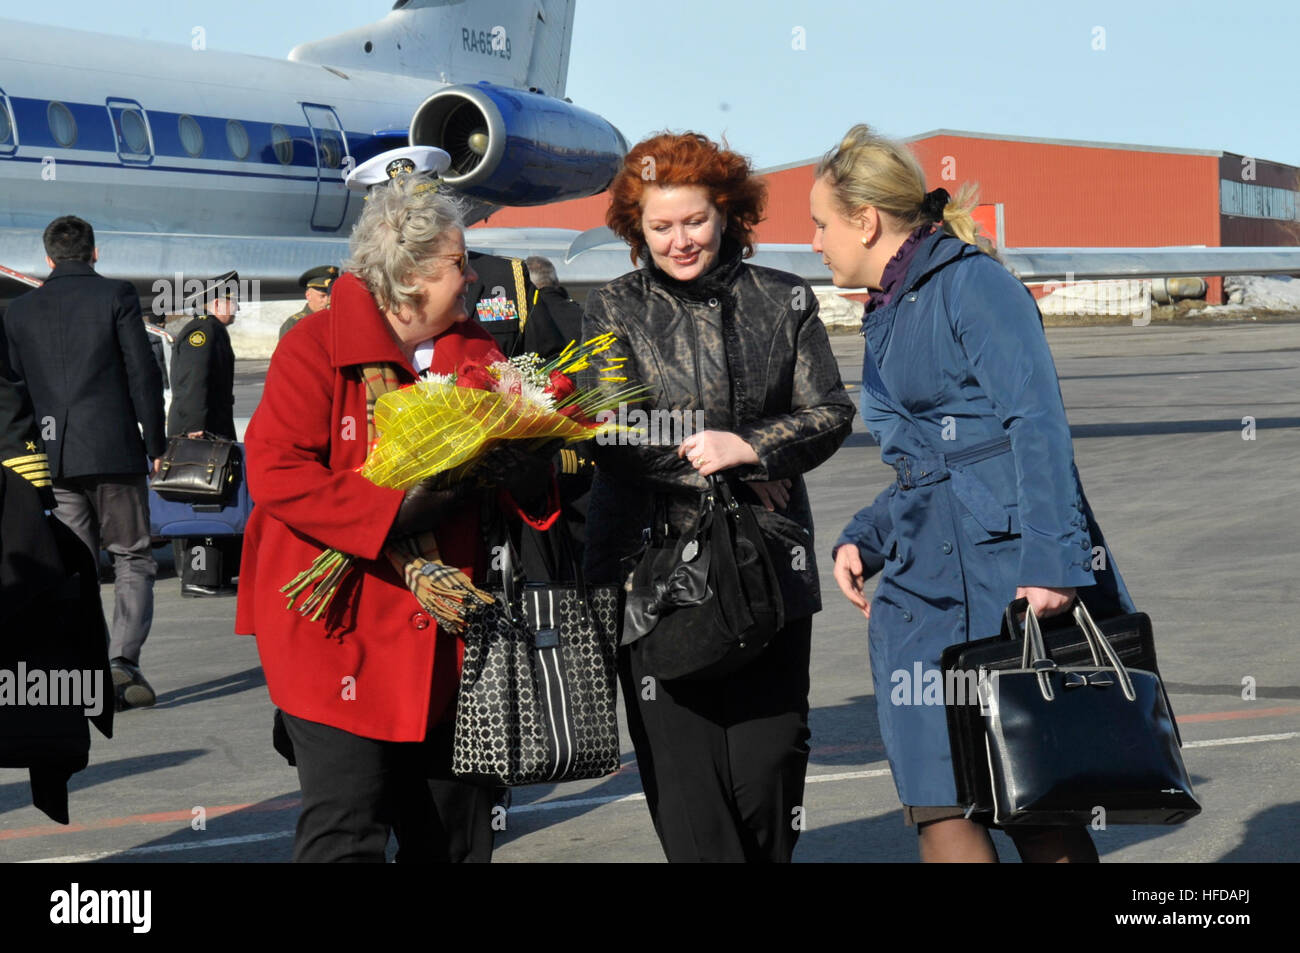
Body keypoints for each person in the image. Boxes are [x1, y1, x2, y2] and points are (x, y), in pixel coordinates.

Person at [816, 124, 1134, 863]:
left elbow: (1037, 421)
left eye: (820, 224)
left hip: (1005, 582)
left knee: (1037, 800)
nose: (815, 242)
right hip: (921, 600)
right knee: (940, 804)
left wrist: (1054, 560)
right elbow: (926, 463)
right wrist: (866, 534)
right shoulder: (887, 308)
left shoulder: (975, 284)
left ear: (865, 221)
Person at [236, 173, 553, 863]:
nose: (472, 277)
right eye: (458, 263)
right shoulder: (314, 346)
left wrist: (530, 457)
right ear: (408, 275)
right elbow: (277, 473)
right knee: (345, 833)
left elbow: (529, 482)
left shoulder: (482, 353)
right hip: (333, 633)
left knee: (457, 836)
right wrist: (391, 510)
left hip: (451, 648)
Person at [582, 132, 855, 862]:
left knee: (769, 772)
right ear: (635, 230)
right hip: (652, 576)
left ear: (727, 212)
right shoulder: (613, 307)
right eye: (660, 226)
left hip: (766, 564)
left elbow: (830, 411)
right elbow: (611, 430)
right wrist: (717, 462)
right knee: (690, 792)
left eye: (695, 220)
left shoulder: (783, 298)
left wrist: (754, 444)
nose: (680, 240)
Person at [1, 215, 166, 711]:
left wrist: (25, 452)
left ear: (47, 259)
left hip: (54, 456)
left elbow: (16, 390)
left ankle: (86, 668)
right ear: (95, 252)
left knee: (75, 565)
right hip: (114, 451)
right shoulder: (117, 295)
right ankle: (123, 663)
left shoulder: (18, 310)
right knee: (133, 554)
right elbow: (142, 371)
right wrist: (155, 442)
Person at [168, 271, 238, 440]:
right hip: (199, 430)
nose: (236, 308)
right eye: (232, 303)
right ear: (216, 304)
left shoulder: (213, 329)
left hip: (213, 425)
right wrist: (195, 424)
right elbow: (194, 377)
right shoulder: (203, 331)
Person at [279, 265, 339, 340]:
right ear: (308, 295)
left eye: (331, 296)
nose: (327, 301)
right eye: (322, 296)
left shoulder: (338, 322)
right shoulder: (294, 324)